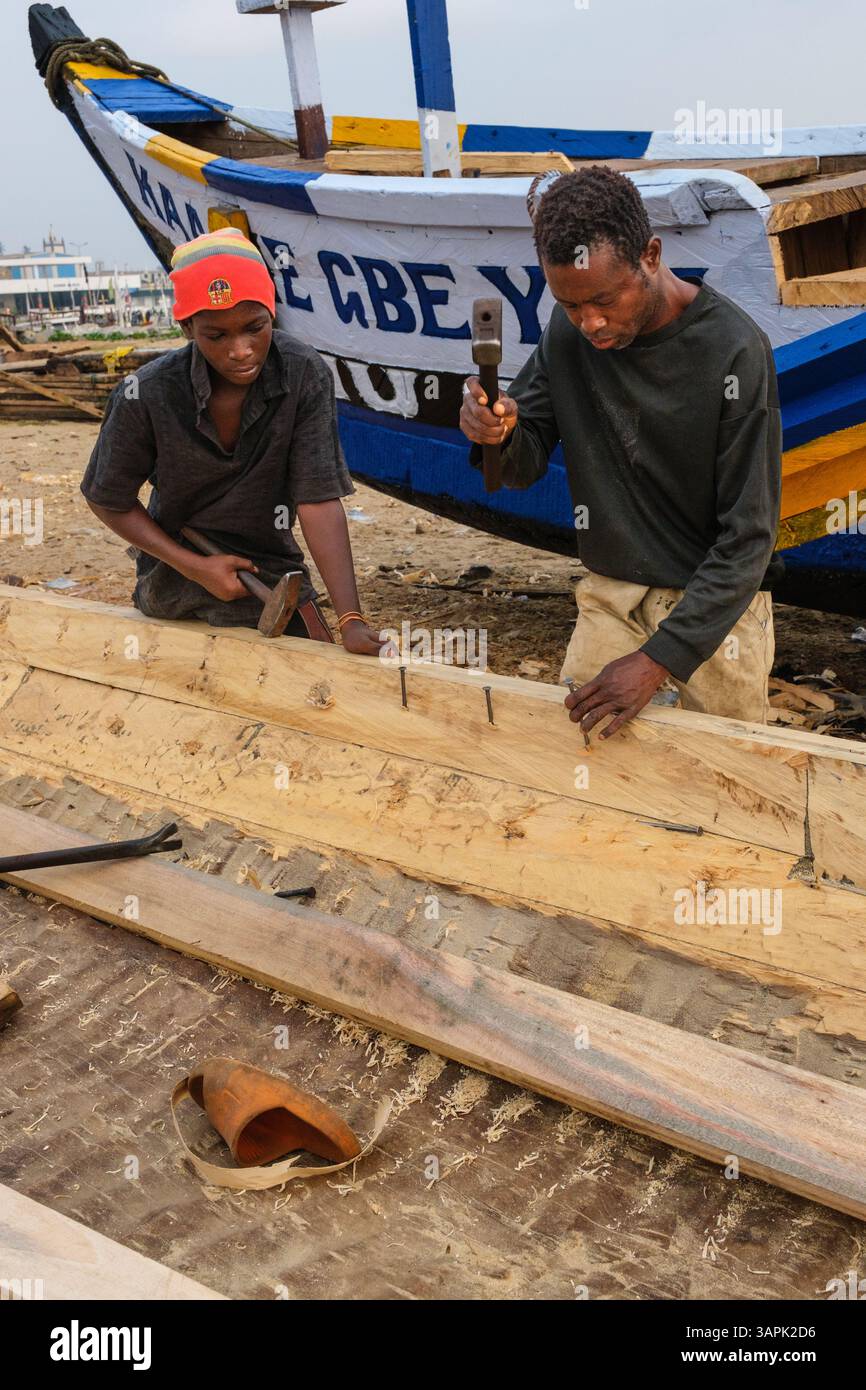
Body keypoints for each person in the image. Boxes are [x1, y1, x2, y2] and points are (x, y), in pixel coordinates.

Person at [460, 166, 781, 736]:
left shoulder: (734, 350)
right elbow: (522, 465)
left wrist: (658, 659)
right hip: (611, 597)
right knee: (586, 769)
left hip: (715, 613)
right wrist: (498, 432)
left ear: (650, 255)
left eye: (604, 301)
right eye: (571, 305)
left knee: (722, 794)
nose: (591, 323)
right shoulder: (569, 333)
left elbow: (748, 539)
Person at [82, 228, 384, 654]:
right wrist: (197, 567)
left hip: (271, 568)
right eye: (216, 336)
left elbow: (317, 499)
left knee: (319, 668)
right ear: (188, 328)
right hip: (174, 578)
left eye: (254, 327)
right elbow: (107, 497)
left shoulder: (301, 373)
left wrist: (351, 618)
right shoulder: (146, 393)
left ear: (271, 312)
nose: (241, 350)